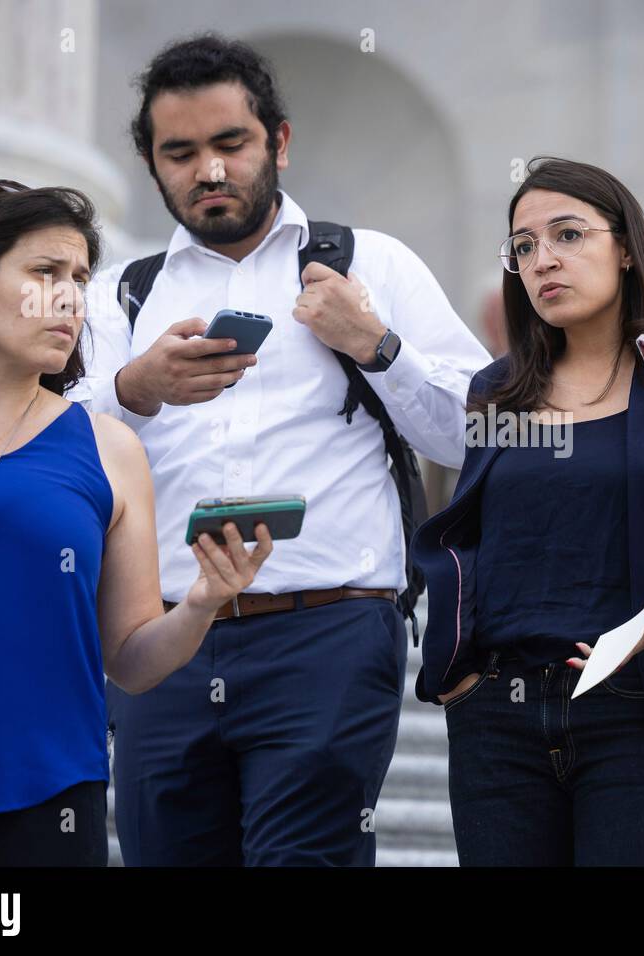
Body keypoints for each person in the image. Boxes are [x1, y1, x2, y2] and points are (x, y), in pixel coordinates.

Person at [68, 34, 491, 866]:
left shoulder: (371, 262)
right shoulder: (118, 292)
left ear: (280, 142)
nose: (209, 171)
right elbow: (47, 458)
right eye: (180, 153)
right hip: (158, 647)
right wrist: (132, 390)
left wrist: (377, 346)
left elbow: (477, 431)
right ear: (154, 167)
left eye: (231, 143)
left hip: (329, 633)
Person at [0, 182, 270, 866]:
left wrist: (204, 601)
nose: (70, 298)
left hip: (41, 806)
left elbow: (133, 661)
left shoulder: (110, 449)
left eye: (80, 279)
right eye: (44, 273)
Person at [411, 157, 644, 866]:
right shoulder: (497, 390)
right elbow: (468, 535)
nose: (542, 259)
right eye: (523, 247)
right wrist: (462, 679)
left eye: (568, 235)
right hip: (498, 717)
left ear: (624, 248)